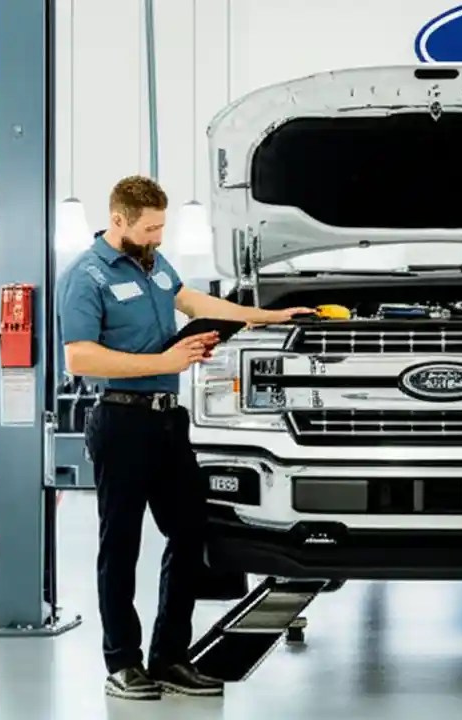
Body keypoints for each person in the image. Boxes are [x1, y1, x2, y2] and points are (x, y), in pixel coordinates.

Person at [57, 175, 312, 700]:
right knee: (120, 545)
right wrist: (165, 361)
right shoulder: (85, 276)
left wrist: (269, 316)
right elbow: (79, 356)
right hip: (121, 421)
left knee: (191, 533)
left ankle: (171, 656)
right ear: (119, 220)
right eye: (149, 228)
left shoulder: (155, 264)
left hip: (168, 422)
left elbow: (194, 302)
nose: (156, 237)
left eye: (161, 228)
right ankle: (122, 662)